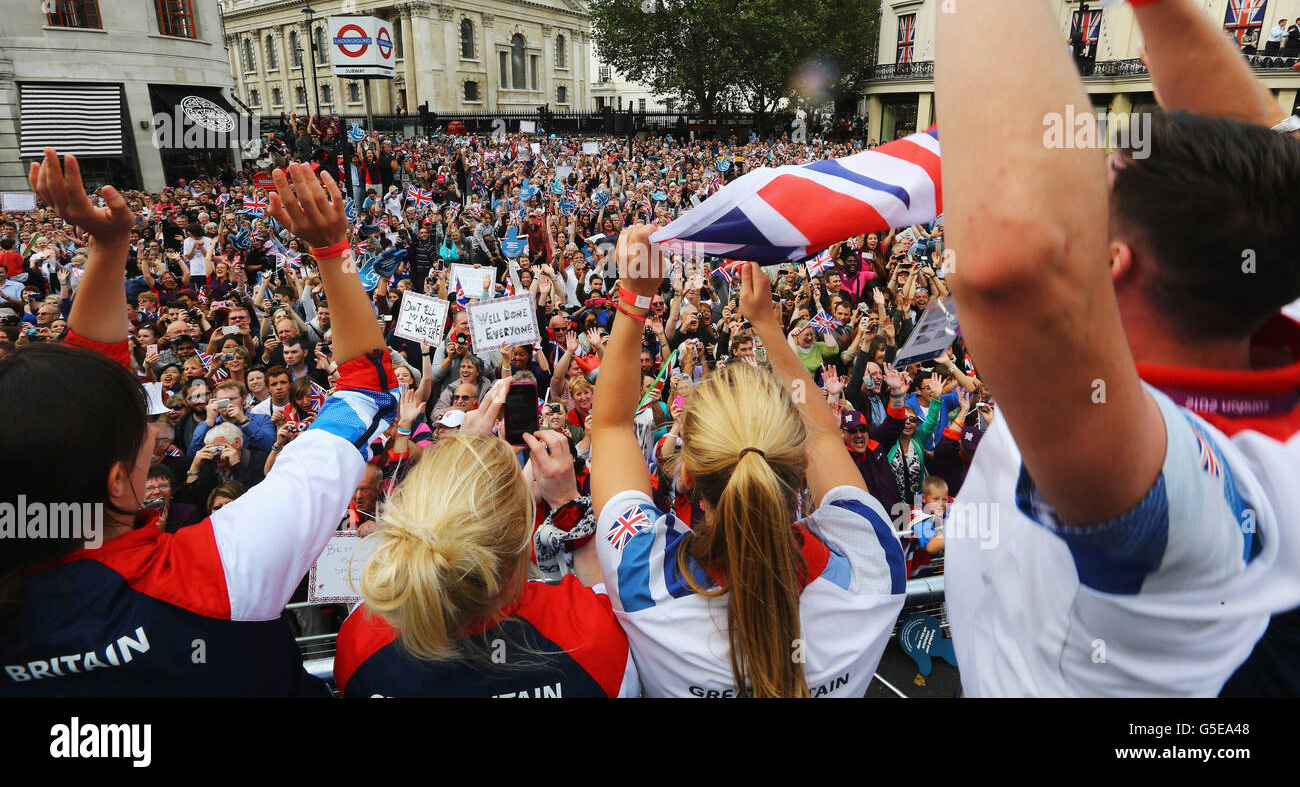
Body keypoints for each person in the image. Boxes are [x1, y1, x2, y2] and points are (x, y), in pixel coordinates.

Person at [934, 0, 1300, 696]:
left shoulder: (1203, 510)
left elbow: (1019, 261)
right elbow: (1270, 159)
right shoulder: (1268, 275)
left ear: (1110, 260)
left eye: (1089, 183)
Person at [0, 154, 398, 696]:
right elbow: (368, 392)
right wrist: (332, 251)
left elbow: (76, 399)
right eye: (143, 422)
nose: (156, 430)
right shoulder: (219, 572)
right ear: (117, 480)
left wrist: (109, 247)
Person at [590, 231, 906, 697]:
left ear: (689, 473)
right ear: (801, 469)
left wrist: (636, 295)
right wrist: (768, 325)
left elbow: (612, 427)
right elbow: (823, 435)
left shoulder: (645, 579)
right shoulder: (876, 564)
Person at [333, 386, 640, 698]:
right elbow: (606, 606)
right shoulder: (591, 634)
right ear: (522, 533)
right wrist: (566, 500)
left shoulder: (362, 641)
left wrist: (458, 459)